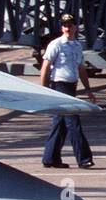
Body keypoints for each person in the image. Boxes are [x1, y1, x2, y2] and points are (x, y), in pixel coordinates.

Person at [40, 15, 97, 169]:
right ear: (61, 28)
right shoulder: (56, 44)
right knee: (73, 122)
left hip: (72, 86)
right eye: (65, 25)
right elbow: (45, 67)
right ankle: (84, 159)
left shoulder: (77, 46)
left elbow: (81, 68)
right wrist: (44, 90)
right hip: (60, 86)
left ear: (75, 27)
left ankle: (50, 158)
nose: (68, 28)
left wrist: (88, 89)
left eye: (70, 25)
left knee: (60, 124)